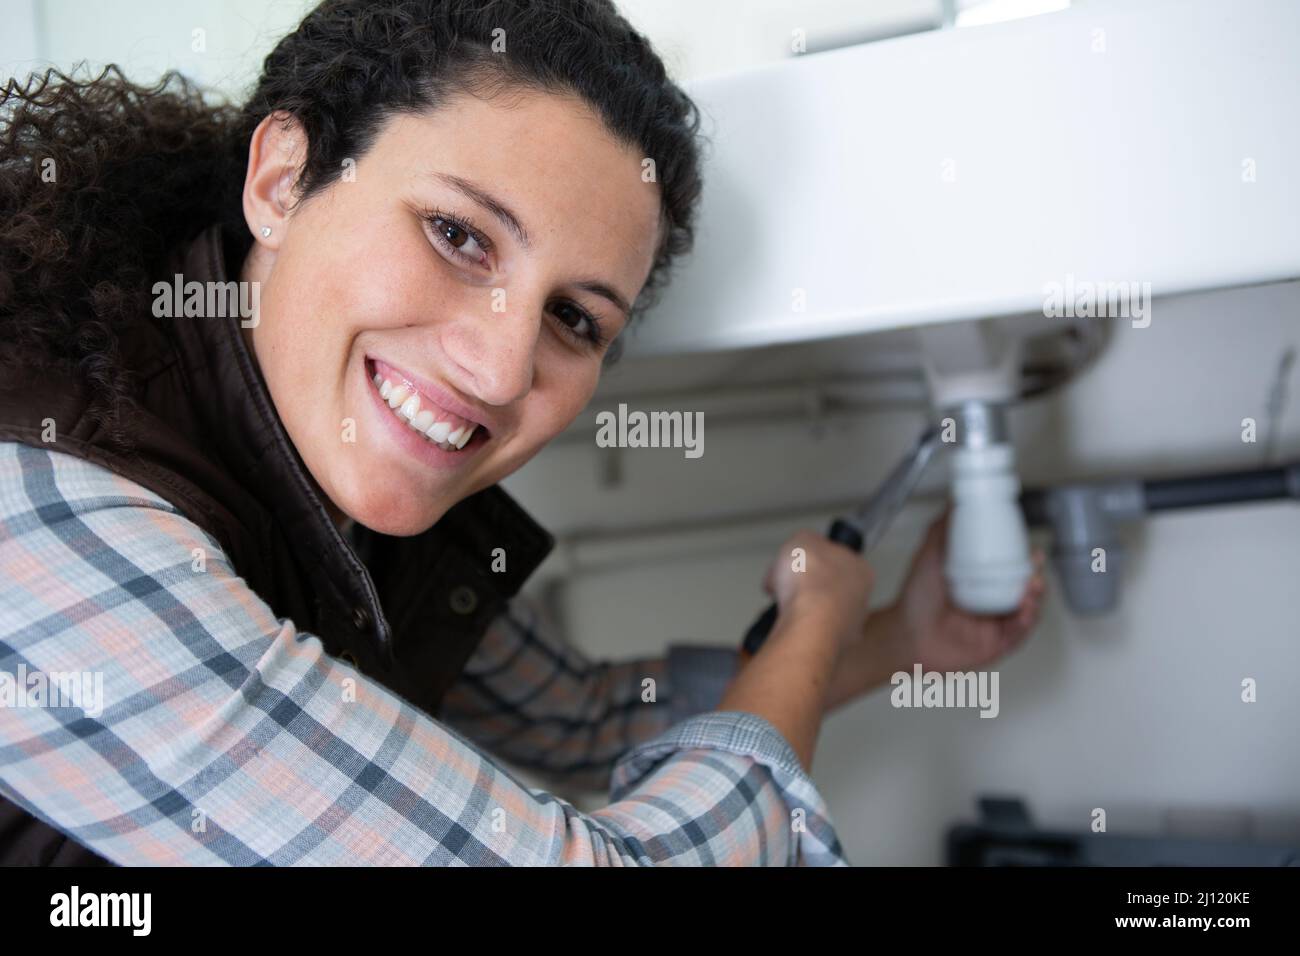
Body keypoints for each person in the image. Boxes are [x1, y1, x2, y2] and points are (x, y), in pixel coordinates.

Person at [0, 0, 1044, 866]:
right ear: (283, 179)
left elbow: (575, 716)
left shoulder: (310, 444)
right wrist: (812, 623)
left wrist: (900, 640)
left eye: (573, 318)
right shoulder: (49, 518)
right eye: (457, 235)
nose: (500, 370)